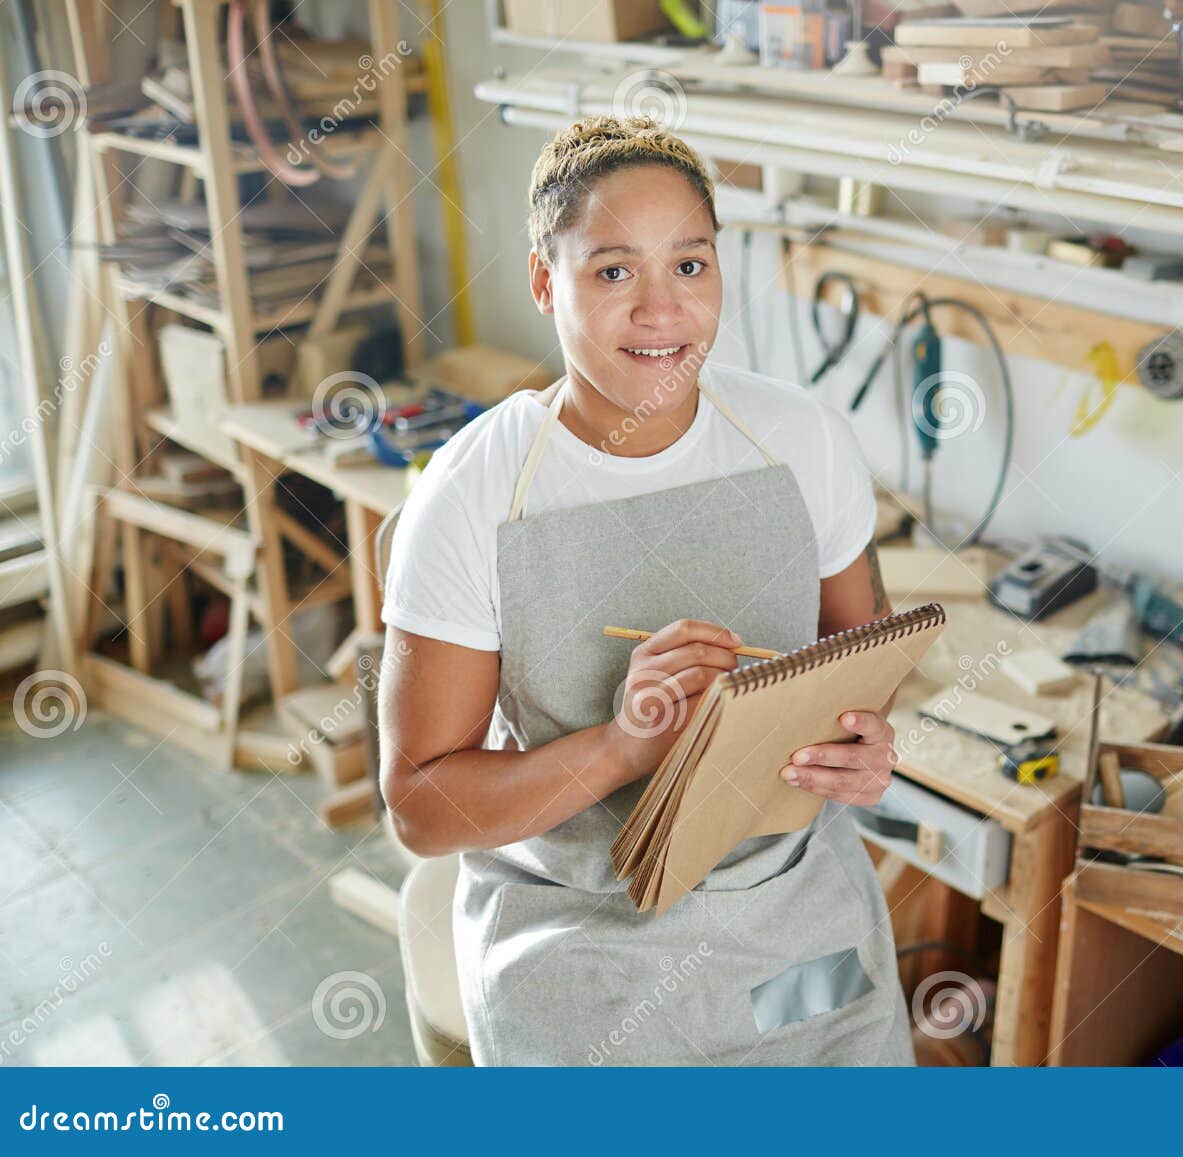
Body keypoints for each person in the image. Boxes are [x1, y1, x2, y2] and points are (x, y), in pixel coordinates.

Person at [377, 115, 913, 1065]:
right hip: (583, 934)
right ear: (548, 283)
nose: (662, 312)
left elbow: (858, 663)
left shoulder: (804, 439)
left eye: (691, 266)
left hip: (788, 908)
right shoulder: (471, 494)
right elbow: (422, 807)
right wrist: (625, 745)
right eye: (614, 270)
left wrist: (863, 745)